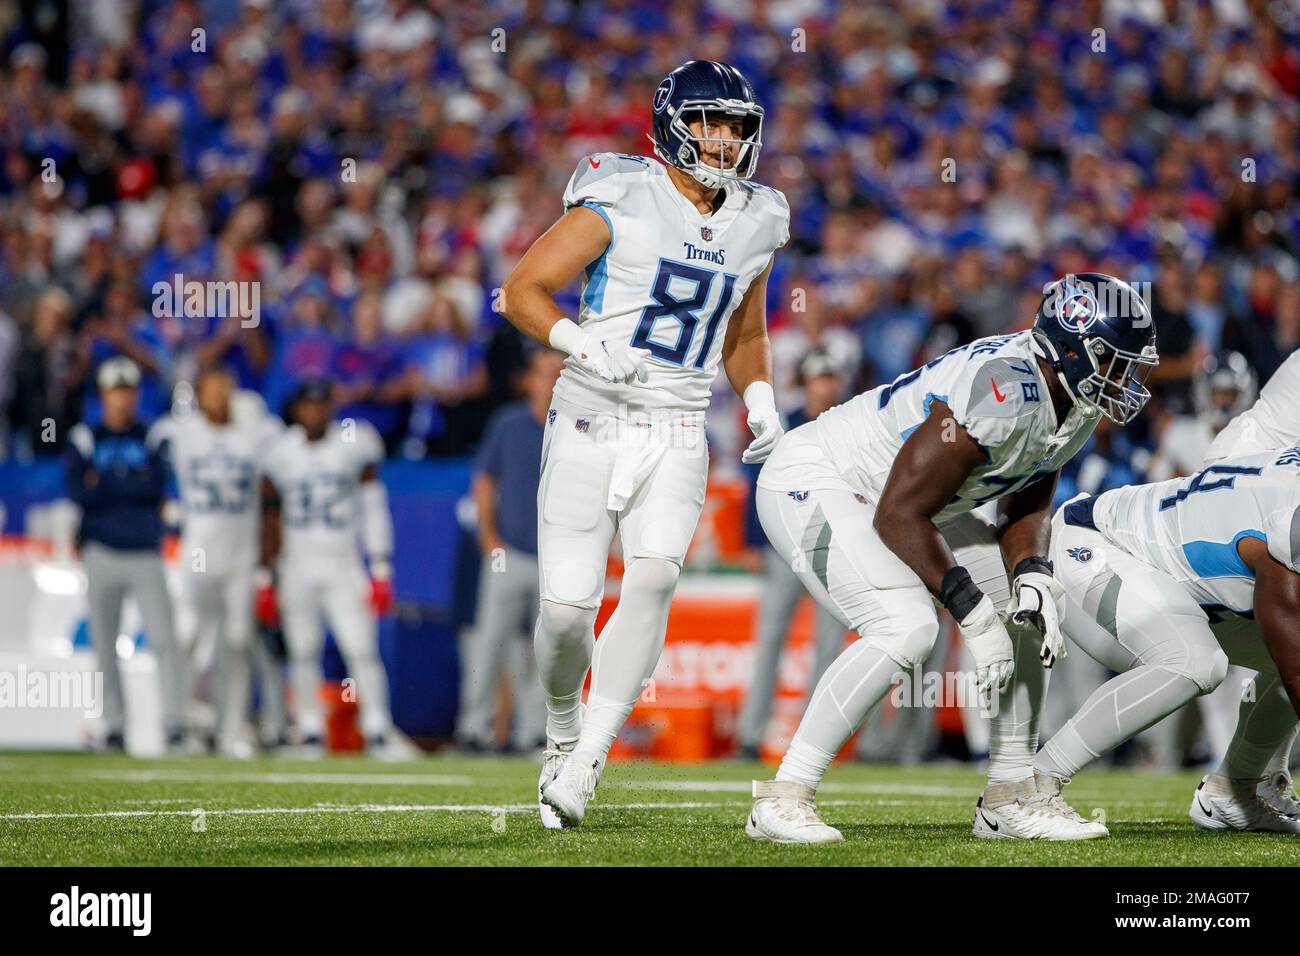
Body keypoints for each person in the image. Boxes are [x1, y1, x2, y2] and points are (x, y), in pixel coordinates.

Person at [746, 273, 1158, 843]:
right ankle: (784, 796)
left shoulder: (1072, 396)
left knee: (1028, 608)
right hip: (826, 479)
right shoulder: (1004, 390)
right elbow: (898, 512)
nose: (1124, 378)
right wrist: (971, 612)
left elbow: (1030, 491)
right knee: (906, 627)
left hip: (912, 500)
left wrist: (1032, 573)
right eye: (1113, 361)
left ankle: (1008, 798)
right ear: (1069, 347)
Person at [499, 60, 789, 828]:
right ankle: (563, 728)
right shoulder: (620, 190)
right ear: (670, 124)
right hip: (592, 412)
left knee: (656, 577)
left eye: (735, 126)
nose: (723, 140)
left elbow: (746, 328)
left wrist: (760, 400)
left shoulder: (760, 216)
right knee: (566, 612)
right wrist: (580, 343)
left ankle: (590, 754)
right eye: (708, 122)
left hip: (679, 423)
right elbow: (521, 290)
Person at [1036, 447, 1300, 835]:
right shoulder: (1288, 524)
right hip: (1094, 545)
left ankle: (1235, 791)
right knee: (1193, 662)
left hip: (1175, 577)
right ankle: (1033, 785)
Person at [257, 376, 408, 759]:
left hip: (343, 563)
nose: (314, 412)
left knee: (361, 648)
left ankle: (377, 729)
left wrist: (380, 567)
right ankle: (309, 730)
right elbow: (269, 516)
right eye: (307, 404)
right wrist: (265, 576)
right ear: (296, 410)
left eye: (321, 404)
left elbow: (373, 506)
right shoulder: (280, 451)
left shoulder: (353, 444)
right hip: (297, 565)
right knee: (303, 651)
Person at [150, 365, 283, 757]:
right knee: (190, 634)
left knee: (238, 640)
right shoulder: (183, 434)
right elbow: (151, 449)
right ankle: (179, 721)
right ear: (199, 397)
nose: (219, 398)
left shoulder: (254, 437)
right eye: (212, 391)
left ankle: (231, 728)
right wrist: (166, 508)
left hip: (241, 553)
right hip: (200, 550)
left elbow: (282, 459)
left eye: (226, 390)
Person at [65, 357, 184, 752]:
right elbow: (79, 492)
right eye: (114, 390)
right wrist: (128, 484)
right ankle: (114, 723)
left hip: (145, 551)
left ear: (135, 394)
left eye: (127, 390)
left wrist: (108, 484)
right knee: (104, 643)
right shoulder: (85, 436)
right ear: (103, 395)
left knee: (164, 640)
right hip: (100, 551)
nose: (121, 398)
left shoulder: (153, 435)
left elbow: (155, 487)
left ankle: (174, 723)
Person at [738, 350, 849, 759]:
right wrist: (753, 542)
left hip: (831, 548)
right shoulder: (783, 425)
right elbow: (757, 483)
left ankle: (815, 740)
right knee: (770, 641)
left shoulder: (847, 424)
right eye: (820, 378)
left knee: (828, 645)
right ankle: (751, 736)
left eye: (831, 377)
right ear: (805, 382)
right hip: (784, 546)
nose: (827, 385)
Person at [455, 348, 562, 752]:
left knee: (546, 651)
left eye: (559, 372)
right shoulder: (509, 424)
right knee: (488, 641)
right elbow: (484, 482)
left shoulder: (577, 425)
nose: (552, 381)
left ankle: (533, 732)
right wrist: (489, 539)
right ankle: (473, 728)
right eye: (546, 372)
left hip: (556, 559)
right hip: (509, 552)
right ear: (529, 380)